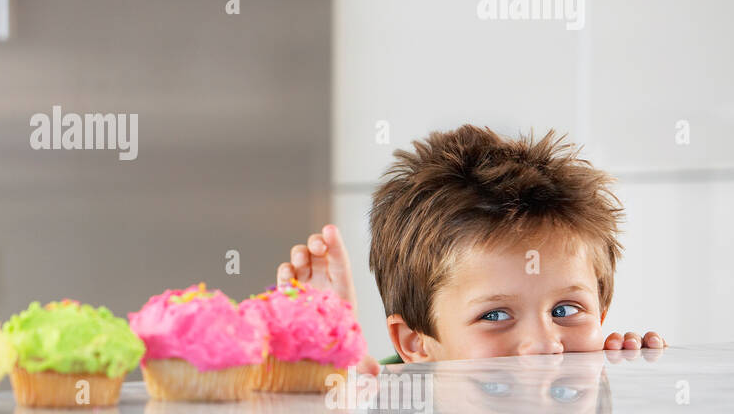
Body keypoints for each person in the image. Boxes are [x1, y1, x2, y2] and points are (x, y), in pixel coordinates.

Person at [277, 125, 666, 366]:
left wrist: (640, 377)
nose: (545, 345)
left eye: (565, 310)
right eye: (495, 315)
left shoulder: (596, 409)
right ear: (416, 343)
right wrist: (325, 373)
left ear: (601, 317)